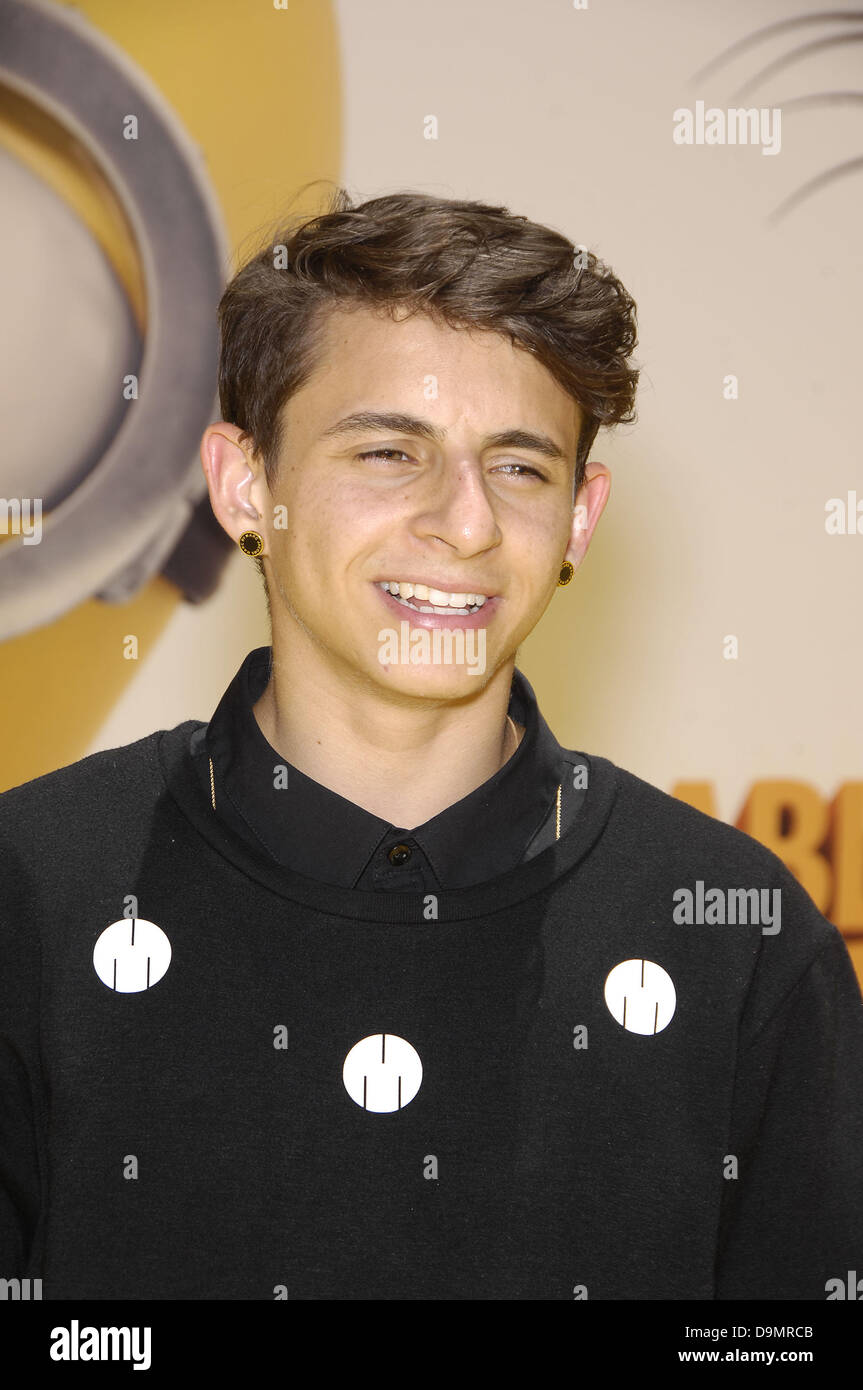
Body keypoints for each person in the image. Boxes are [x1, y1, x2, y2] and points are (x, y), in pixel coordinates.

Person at [1, 188, 861, 1301]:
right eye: (386, 454)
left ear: (578, 519)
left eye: (517, 467)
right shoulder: (30, 889)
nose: (464, 524)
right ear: (244, 484)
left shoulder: (735, 934)